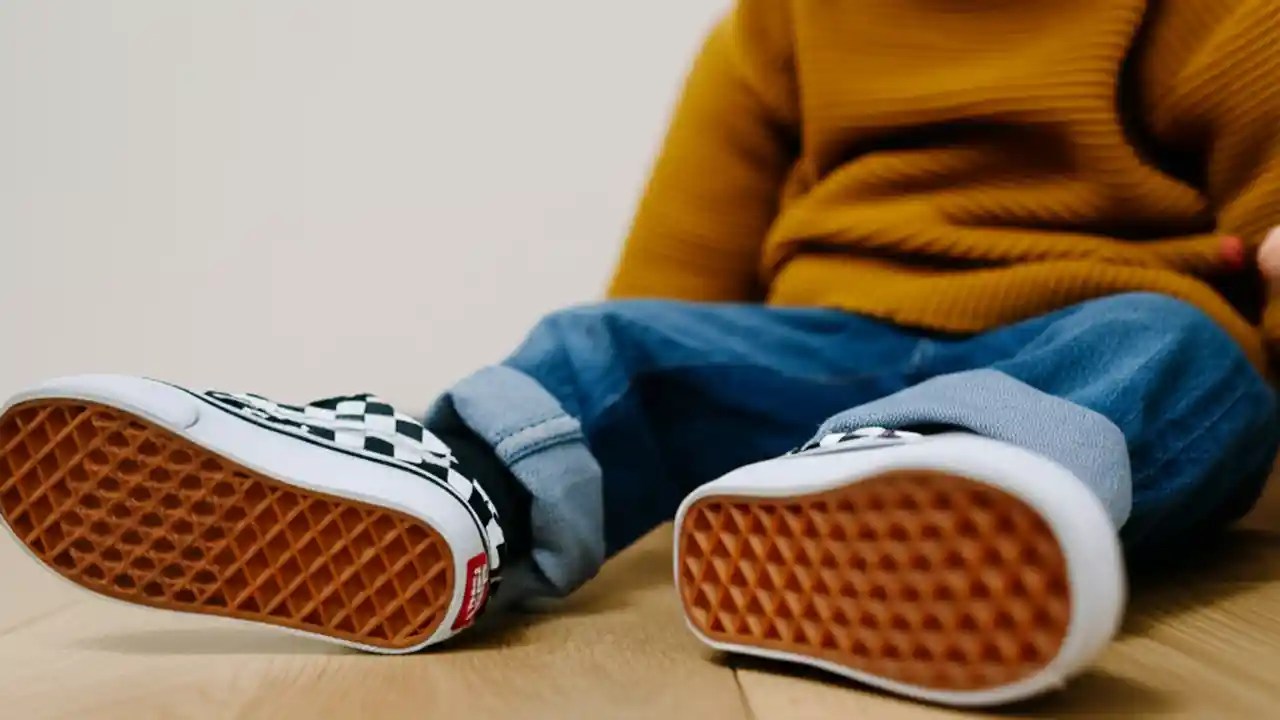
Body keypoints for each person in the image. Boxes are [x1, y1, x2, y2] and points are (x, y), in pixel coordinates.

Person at [3, 0, 1279, 707]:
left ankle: (953, 488)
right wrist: (632, 379)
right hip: (821, 358)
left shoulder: (1205, 13)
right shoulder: (785, 20)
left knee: (1180, 349)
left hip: (1080, 330)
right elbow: (671, 279)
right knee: (608, 343)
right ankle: (455, 496)